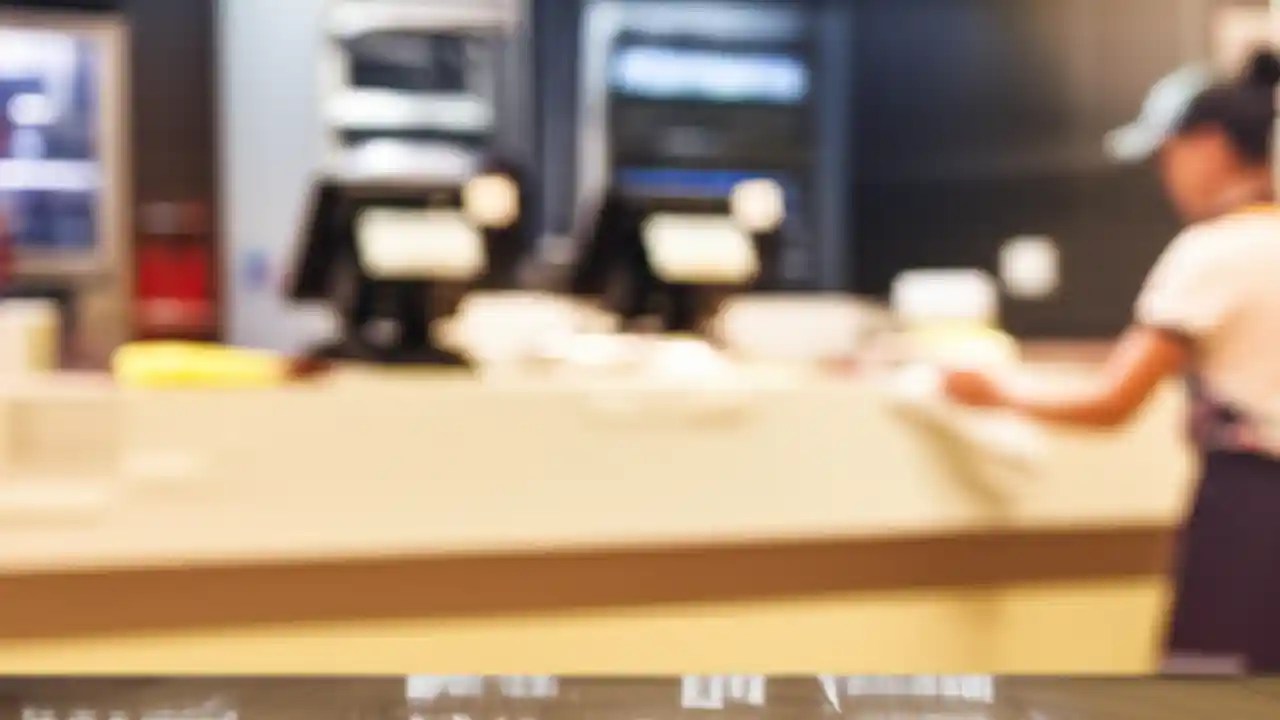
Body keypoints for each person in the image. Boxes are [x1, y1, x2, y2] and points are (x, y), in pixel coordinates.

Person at [945, 50, 1280, 674]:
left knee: (1212, 687)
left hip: (1253, 511)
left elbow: (1112, 401)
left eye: (1166, 156)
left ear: (1206, 146)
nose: (1165, 176)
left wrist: (991, 392)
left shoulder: (1212, 251)